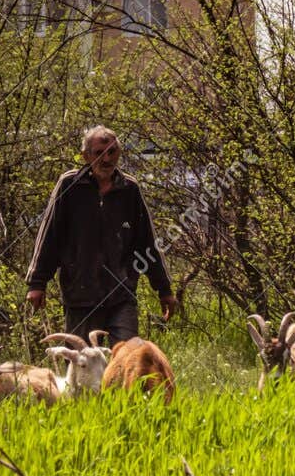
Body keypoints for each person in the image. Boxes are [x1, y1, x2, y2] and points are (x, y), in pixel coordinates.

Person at [24, 125, 180, 342]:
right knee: (82, 364)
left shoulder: (129, 189)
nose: (107, 159)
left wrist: (164, 289)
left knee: (127, 362)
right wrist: (37, 283)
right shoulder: (69, 185)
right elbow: (50, 236)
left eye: (112, 152)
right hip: (80, 296)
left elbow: (148, 242)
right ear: (86, 156)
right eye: (99, 153)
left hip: (121, 295)